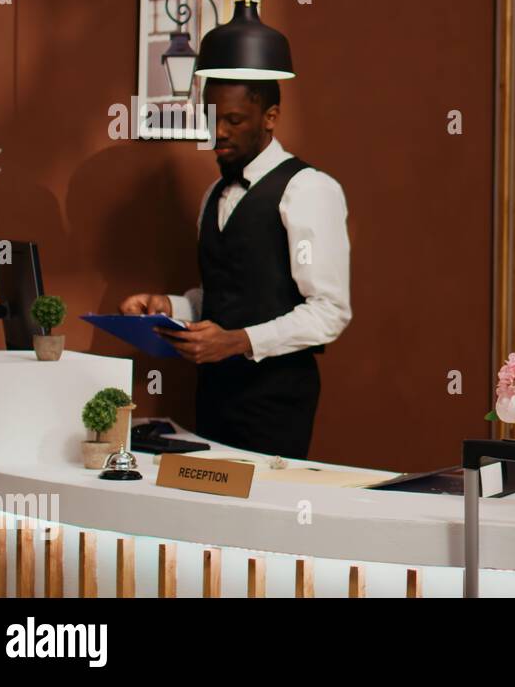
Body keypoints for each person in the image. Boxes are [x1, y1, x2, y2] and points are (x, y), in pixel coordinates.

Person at [119, 78, 352, 459]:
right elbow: (223, 294)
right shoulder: (214, 194)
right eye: (212, 119)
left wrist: (237, 341)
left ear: (271, 117)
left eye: (234, 120)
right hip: (213, 392)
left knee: (262, 514)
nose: (219, 132)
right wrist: (169, 306)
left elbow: (330, 311)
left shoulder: (309, 189)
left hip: (275, 398)